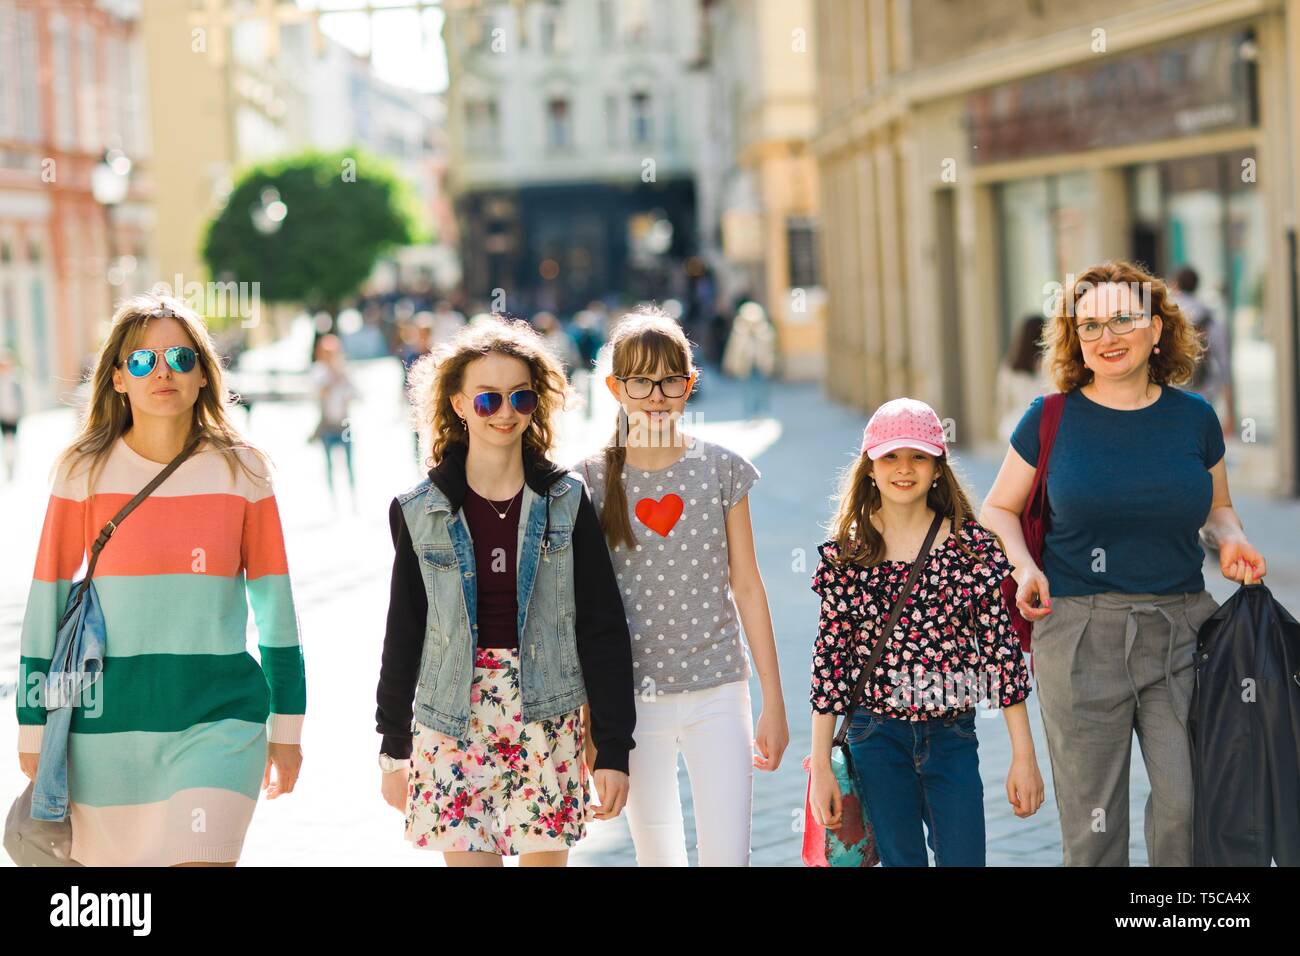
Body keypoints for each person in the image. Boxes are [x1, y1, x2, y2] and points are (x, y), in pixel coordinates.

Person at [980, 259, 1268, 866]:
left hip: (1184, 633)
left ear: (1157, 329)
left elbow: (1217, 507)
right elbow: (999, 509)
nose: (1105, 338)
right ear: (1075, 339)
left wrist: (1231, 538)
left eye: (1121, 320)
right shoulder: (1050, 418)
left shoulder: (1194, 418)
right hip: (1081, 633)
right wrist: (1025, 567)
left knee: (1188, 807)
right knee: (1094, 826)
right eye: (1089, 327)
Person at [14, 292, 305, 866]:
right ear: (118, 378)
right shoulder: (84, 470)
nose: (163, 372)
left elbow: (276, 607)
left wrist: (288, 725)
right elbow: (46, 594)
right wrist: (31, 721)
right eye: (143, 361)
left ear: (203, 375)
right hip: (105, 733)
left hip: (219, 719)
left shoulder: (243, 470)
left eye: (180, 358)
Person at [375, 318, 636, 867]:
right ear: (459, 404)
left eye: (520, 397)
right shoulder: (417, 510)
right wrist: (392, 743)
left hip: (548, 712)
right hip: (450, 721)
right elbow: (405, 629)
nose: (506, 413)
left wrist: (613, 746)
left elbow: (602, 627)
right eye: (488, 399)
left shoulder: (567, 501)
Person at [576, 307, 789, 867]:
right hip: (631, 705)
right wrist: (589, 724)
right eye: (641, 381)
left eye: (671, 379)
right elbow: (579, 611)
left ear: (689, 383)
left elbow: (747, 585)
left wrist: (773, 700)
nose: (656, 395)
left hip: (718, 690)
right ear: (615, 387)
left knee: (728, 856)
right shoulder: (589, 480)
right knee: (658, 857)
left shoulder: (722, 469)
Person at [806, 398, 1043, 866]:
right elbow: (830, 665)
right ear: (870, 467)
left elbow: (1001, 654)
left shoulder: (969, 548)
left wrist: (1024, 756)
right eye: (890, 456)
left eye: (918, 456)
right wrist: (821, 769)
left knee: (965, 858)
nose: (904, 468)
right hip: (876, 736)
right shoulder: (848, 555)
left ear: (938, 467)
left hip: (951, 735)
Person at [1168, 266, 1230, 421]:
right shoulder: (1209, 316)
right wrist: (1230, 413)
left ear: (1175, 284)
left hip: (1170, 387)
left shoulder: (1166, 313)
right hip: (1204, 388)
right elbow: (1223, 362)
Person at [310, 334, 359, 507]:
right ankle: (334, 502)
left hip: (344, 424)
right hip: (327, 424)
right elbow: (318, 393)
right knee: (329, 465)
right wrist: (332, 378)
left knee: (350, 465)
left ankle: (353, 499)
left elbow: (355, 394)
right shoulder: (318, 372)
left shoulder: (343, 370)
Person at [996, 315, 1050, 444]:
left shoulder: (1010, 365)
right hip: (1045, 424)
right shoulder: (1050, 363)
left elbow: (1003, 401)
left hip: (1015, 424)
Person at [722, 301, 777, 420]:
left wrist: (771, 363)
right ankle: (750, 413)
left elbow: (770, 349)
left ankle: (762, 412)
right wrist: (729, 364)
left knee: (762, 389)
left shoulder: (764, 331)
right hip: (745, 366)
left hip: (760, 365)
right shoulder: (739, 332)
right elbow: (733, 349)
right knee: (748, 390)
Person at [0, 347, 22, 481]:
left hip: (13, 416)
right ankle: (8, 466)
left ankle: (12, 466)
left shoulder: (14, 381)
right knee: (6, 443)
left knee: (13, 443)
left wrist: (20, 412)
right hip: (3, 417)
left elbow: (20, 398)